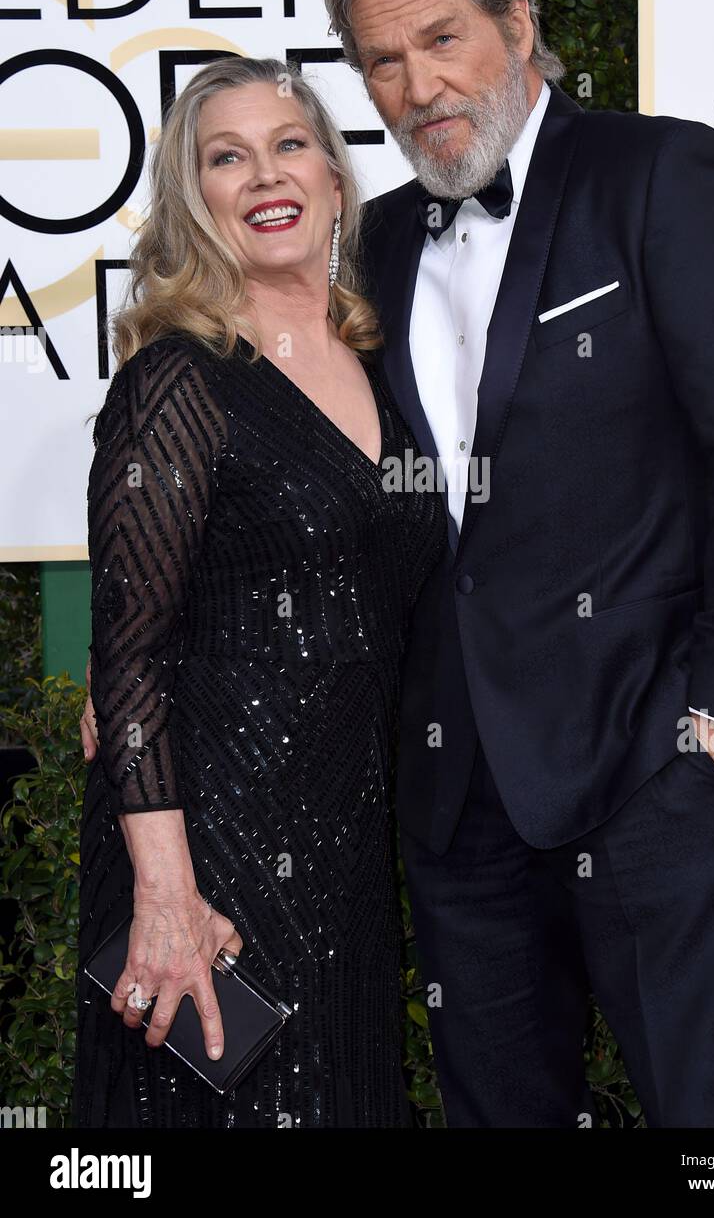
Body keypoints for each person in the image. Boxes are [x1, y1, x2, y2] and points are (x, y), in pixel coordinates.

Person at [320, 0, 714, 1126]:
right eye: (381, 62)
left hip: (650, 765)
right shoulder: (373, 243)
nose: (418, 85)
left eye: (442, 38)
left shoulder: (660, 173)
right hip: (454, 795)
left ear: (519, 18)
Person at [75, 55, 446, 1128]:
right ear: (198, 202)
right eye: (225, 158)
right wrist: (165, 894)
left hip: (344, 844)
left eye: (289, 144)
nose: (264, 174)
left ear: (334, 176)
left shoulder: (385, 364)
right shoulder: (180, 378)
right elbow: (130, 655)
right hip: (206, 857)